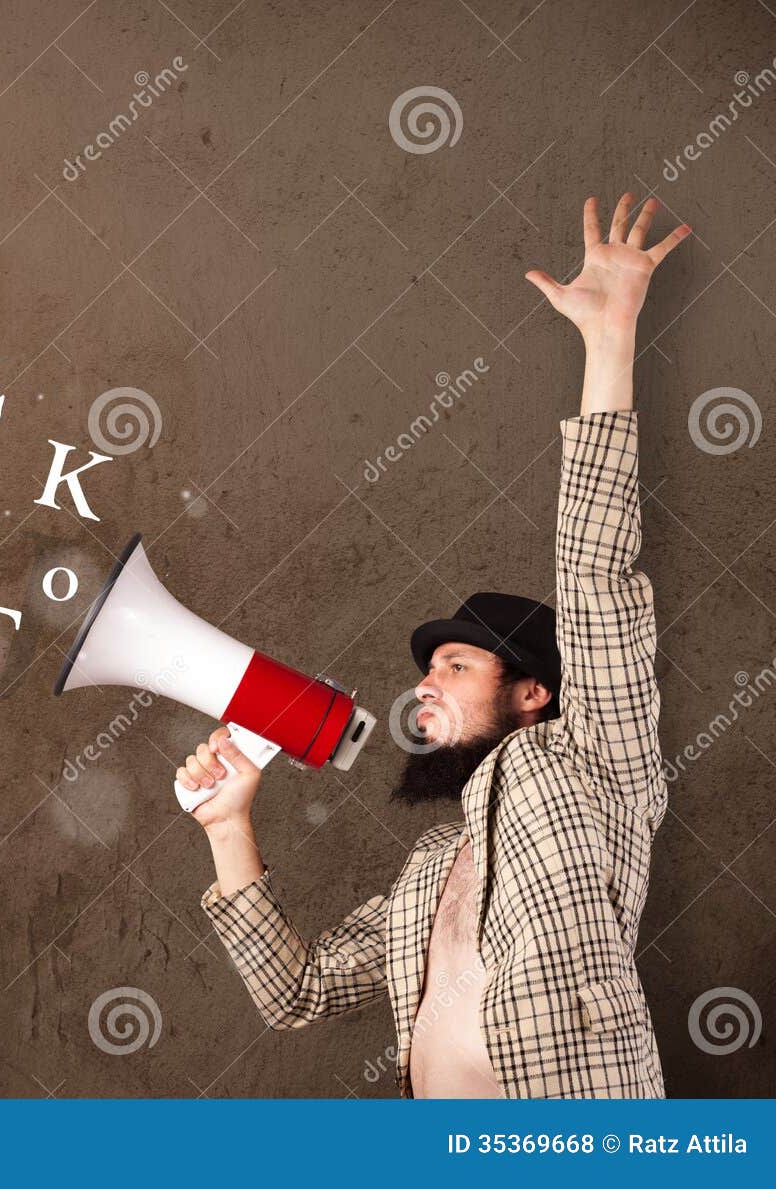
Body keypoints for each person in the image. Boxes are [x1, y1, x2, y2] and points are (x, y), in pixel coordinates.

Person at [178, 194, 688, 1098]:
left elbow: (595, 574)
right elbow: (296, 992)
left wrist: (610, 339)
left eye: (457, 663)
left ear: (533, 690)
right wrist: (229, 825)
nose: (427, 683)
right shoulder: (431, 872)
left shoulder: (594, 761)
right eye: (428, 669)